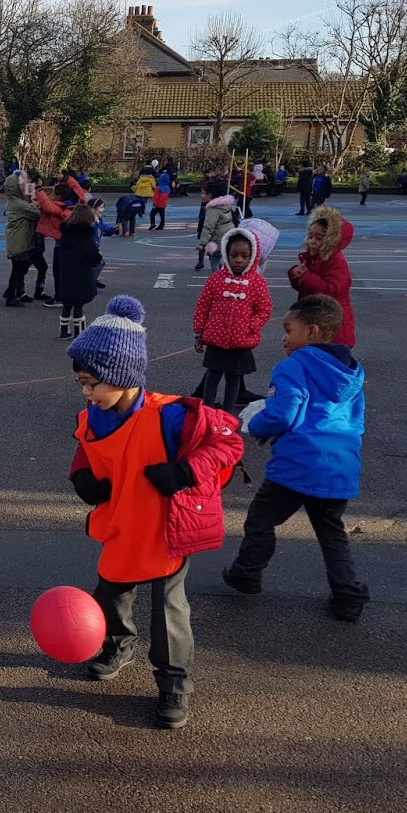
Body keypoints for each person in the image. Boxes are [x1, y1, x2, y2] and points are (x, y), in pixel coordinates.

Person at [65, 296, 244, 730]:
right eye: (82, 384)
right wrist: (83, 479)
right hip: (122, 526)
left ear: (122, 376)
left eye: (92, 383)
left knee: (168, 611)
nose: (87, 393)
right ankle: (119, 645)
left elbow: (229, 443)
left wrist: (184, 470)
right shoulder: (92, 416)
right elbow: (85, 453)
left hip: (165, 530)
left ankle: (174, 684)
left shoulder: (172, 416)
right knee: (109, 595)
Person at [223, 295, 369, 623]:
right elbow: (357, 421)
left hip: (297, 465)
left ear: (312, 332)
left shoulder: (294, 366)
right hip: (338, 467)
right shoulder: (352, 373)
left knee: (261, 520)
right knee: (332, 533)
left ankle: (247, 573)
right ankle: (347, 595)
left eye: (289, 330)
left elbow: (284, 413)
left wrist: (255, 424)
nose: (284, 338)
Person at [193, 226, 272, 414]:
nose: (238, 260)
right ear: (226, 255)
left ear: (252, 257)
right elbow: (203, 306)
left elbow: (264, 309)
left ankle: (228, 414)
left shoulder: (257, 282)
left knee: (234, 379)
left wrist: (251, 326)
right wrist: (199, 333)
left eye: (244, 256)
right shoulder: (216, 279)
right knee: (212, 375)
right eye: (234, 255)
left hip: (240, 341)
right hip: (216, 339)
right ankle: (207, 411)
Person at [288, 206, 356, 347]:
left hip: (332, 321)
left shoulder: (337, 262)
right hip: (314, 315)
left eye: (319, 238)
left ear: (331, 241)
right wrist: (295, 274)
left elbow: (332, 289)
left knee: (328, 357)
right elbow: (303, 287)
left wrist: (306, 276)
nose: (312, 241)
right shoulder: (312, 258)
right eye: (310, 236)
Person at [34, 172, 89, 307]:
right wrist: (67, 179)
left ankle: (60, 297)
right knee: (64, 273)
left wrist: (39, 189)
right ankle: (64, 296)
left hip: (63, 246)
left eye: (52, 193)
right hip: (69, 245)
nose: (50, 196)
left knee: (59, 273)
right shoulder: (75, 205)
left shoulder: (61, 209)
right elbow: (79, 191)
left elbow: (47, 206)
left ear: (58, 196)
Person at [54, 204, 104, 339]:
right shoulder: (85, 236)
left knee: (67, 302)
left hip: (66, 272)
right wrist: (98, 257)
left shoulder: (65, 234)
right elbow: (93, 256)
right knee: (78, 304)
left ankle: (64, 330)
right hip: (82, 273)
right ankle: (79, 332)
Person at [3, 170, 43, 307]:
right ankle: (11, 296)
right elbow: (36, 214)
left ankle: (14, 292)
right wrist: (31, 197)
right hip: (19, 241)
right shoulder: (19, 204)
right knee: (18, 269)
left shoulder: (14, 201)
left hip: (19, 240)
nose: (24, 186)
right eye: (22, 184)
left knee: (20, 269)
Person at [193, 191, 238, 272]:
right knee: (225, 262)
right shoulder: (225, 206)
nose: (202, 196)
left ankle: (218, 282)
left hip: (217, 240)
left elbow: (208, 227)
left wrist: (201, 243)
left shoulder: (213, 209)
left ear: (210, 194)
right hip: (229, 237)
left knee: (214, 262)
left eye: (203, 193)